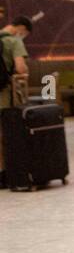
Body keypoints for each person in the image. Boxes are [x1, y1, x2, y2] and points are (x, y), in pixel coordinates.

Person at [0, 15, 33, 187]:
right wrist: (25, 69)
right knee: (5, 132)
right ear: (21, 28)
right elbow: (20, 68)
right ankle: (5, 173)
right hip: (4, 92)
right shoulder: (14, 41)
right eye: (25, 33)